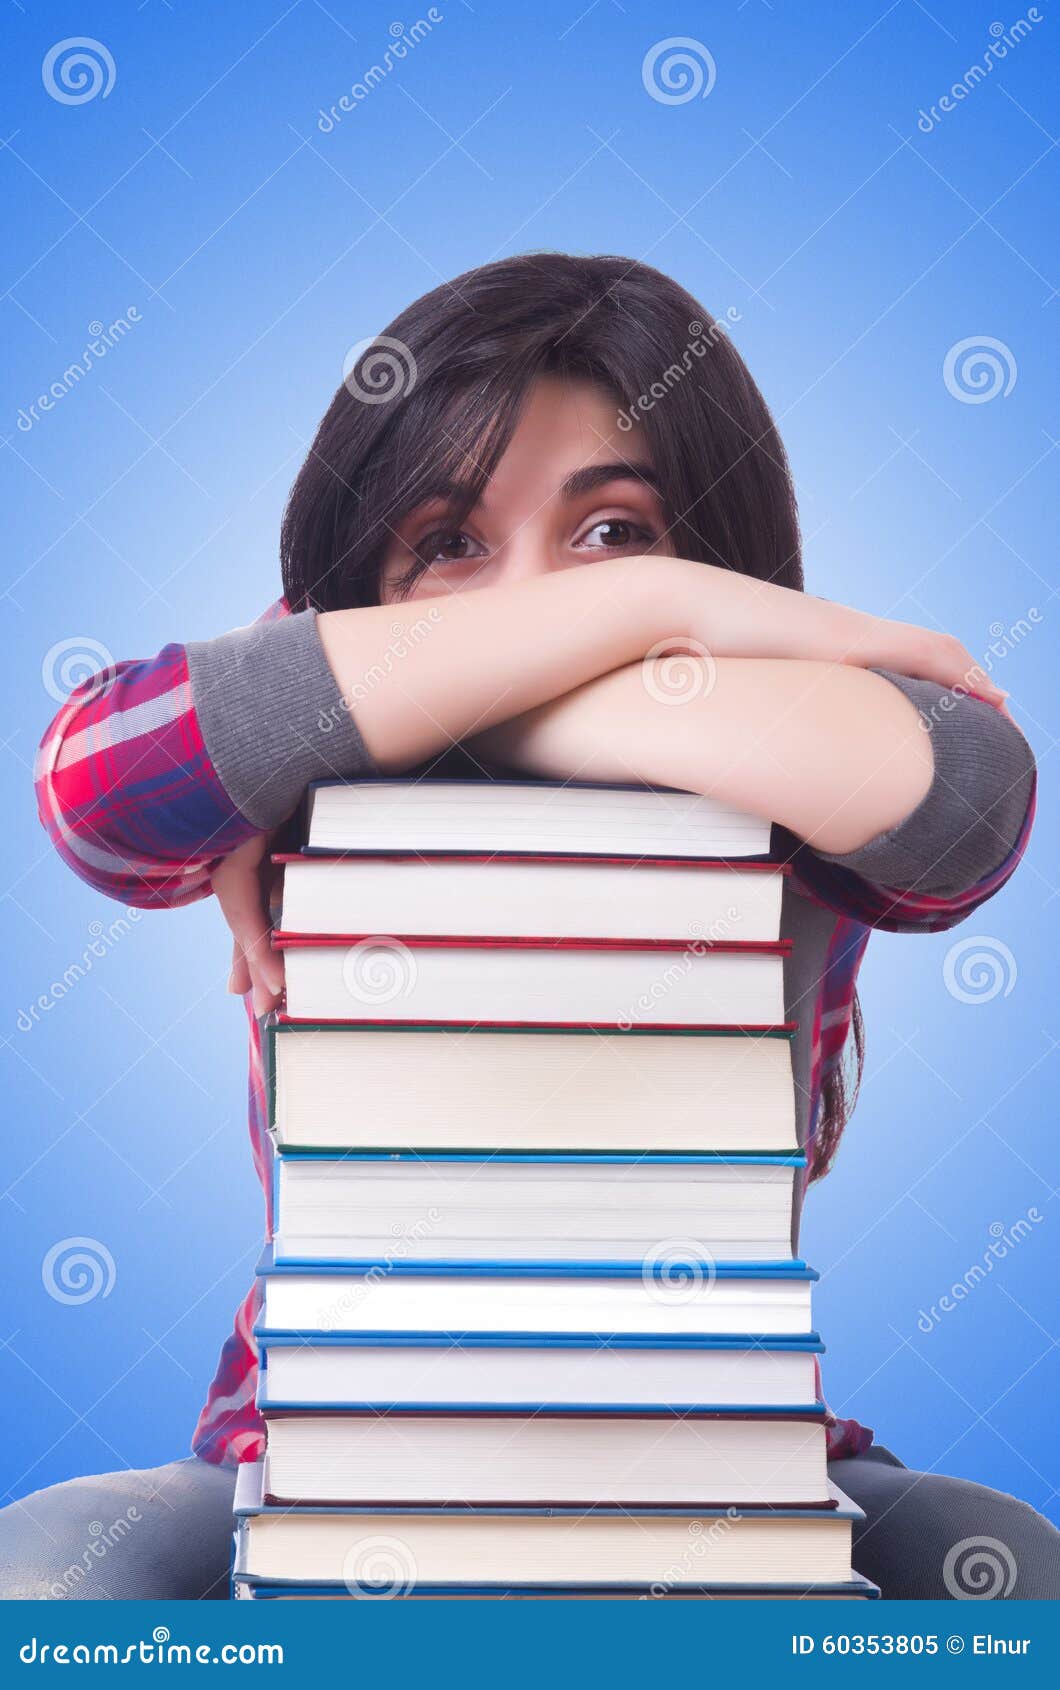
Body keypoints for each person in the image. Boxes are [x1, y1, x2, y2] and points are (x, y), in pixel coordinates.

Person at [9, 253, 1055, 1600]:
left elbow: (967, 804)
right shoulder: (328, 726)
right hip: (305, 1457)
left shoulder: (784, 758)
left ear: (727, 561)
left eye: (616, 530)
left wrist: (444, 696)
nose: (536, 600)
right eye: (447, 542)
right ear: (367, 598)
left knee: (1011, 1574)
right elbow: (92, 785)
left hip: (727, 1467)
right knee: (50, 1580)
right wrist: (643, 609)